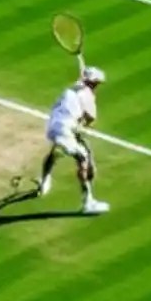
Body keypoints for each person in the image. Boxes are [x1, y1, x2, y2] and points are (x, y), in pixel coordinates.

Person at [36, 62, 110, 215]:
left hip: (52, 126)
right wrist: (84, 122)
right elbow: (91, 118)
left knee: (55, 152)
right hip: (65, 129)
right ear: (94, 83)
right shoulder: (88, 95)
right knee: (83, 159)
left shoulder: (71, 88)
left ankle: (44, 184)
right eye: (97, 83)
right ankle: (87, 203)